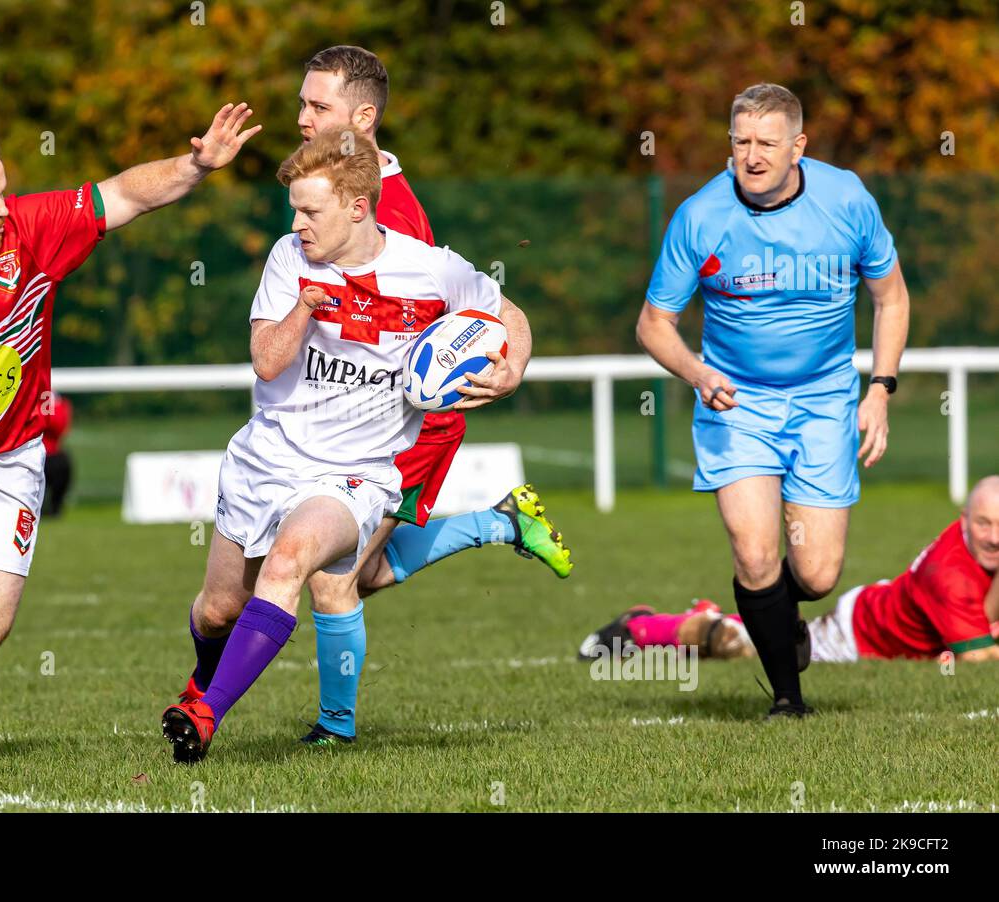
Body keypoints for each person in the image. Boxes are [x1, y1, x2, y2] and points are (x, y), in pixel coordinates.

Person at [0, 103, 261, 773]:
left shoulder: (32, 230)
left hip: (9, 461)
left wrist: (195, 166)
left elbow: (121, 195)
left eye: (4, 191)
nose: (4, 208)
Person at [161, 127, 533, 762]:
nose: (298, 223)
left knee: (290, 564)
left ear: (358, 207)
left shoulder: (430, 268)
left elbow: (510, 315)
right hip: (266, 461)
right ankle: (205, 678)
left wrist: (512, 367)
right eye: (295, 210)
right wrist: (305, 304)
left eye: (311, 210)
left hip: (356, 475)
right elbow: (267, 362)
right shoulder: (289, 259)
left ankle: (206, 713)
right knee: (219, 609)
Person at [291, 45, 573, 746]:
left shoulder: (396, 216)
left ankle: (335, 732)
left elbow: (487, 313)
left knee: (333, 577)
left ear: (363, 117)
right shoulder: (328, 183)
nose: (300, 119)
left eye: (316, 107)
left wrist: (510, 364)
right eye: (301, 103)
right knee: (366, 569)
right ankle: (504, 523)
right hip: (349, 423)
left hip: (407, 428)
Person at [635, 83, 910, 718]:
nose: (752, 156)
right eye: (741, 142)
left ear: (798, 146)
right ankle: (788, 698)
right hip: (738, 405)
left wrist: (880, 390)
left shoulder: (845, 200)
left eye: (767, 143)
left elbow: (891, 298)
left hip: (825, 401)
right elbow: (654, 324)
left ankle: (781, 613)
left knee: (816, 575)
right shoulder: (701, 216)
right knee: (755, 552)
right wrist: (697, 374)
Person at [581, 476, 999, 664]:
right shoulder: (951, 575)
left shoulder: (972, 550)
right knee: (739, 644)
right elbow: (977, 658)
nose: (994, 537)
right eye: (984, 524)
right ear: (963, 519)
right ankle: (644, 628)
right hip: (855, 638)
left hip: (879, 607)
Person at [41, 392, 74, 516]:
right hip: (36, 453)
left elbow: (60, 427)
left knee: (63, 467)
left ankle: (55, 508)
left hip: (53, 454)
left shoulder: (61, 403)